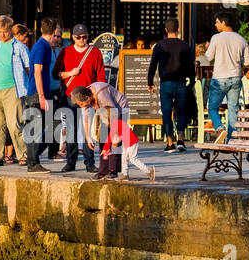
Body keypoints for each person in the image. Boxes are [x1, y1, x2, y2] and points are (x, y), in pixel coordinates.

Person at [71, 83, 155, 181]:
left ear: (87, 97)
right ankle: (104, 171)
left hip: (118, 109)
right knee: (106, 138)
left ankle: (113, 171)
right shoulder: (86, 98)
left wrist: (113, 140)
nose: (81, 107)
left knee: (116, 142)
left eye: (81, 104)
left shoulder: (101, 95)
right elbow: (86, 118)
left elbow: (112, 114)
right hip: (106, 114)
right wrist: (88, 137)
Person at [53, 24, 105, 173]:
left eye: (85, 37)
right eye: (78, 37)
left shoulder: (95, 52)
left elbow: (101, 76)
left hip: (89, 98)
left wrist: (97, 97)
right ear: (73, 38)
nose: (82, 39)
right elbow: (55, 73)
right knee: (71, 131)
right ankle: (71, 162)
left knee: (89, 132)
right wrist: (70, 73)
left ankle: (90, 163)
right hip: (71, 97)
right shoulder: (65, 52)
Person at [0, 15, 29, 167]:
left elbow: (28, 68)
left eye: (5, 31)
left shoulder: (19, 47)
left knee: (15, 123)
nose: (2, 34)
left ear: (10, 30)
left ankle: (23, 154)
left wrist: (27, 89)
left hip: (13, 89)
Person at [147, 18, 195, 153]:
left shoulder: (159, 46)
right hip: (181, 82)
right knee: (181, 111)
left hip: (166, 83)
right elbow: (190, 66)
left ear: (166, 30)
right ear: (178, 29)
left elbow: (153, 65)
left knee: (167, 112)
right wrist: (191, 80)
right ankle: (181, 139)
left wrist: (150, 82)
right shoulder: (185, 45)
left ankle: (170, 141)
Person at [201, 12, 249, 143]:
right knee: (233, 109)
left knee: (212, 107)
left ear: (223, 23)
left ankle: (219, 127)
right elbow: (247, 63)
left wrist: (207, 49)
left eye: (217, 22)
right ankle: (231, 139)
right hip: (235, 77)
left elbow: (208, 58)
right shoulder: (242, 39)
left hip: (219, 78)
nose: (215, 24)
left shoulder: (216, 38)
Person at [22, 18, 59, 173]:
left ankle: (34, 156)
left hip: (43, 92)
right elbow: (37, 73)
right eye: (57, 34)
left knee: (55, 124)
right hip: (37, 95)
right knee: (35, 129)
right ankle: (33, 163)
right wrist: (42, 96)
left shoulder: (44, 46)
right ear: (53, 32)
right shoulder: (41, 47)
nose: (58, 38)